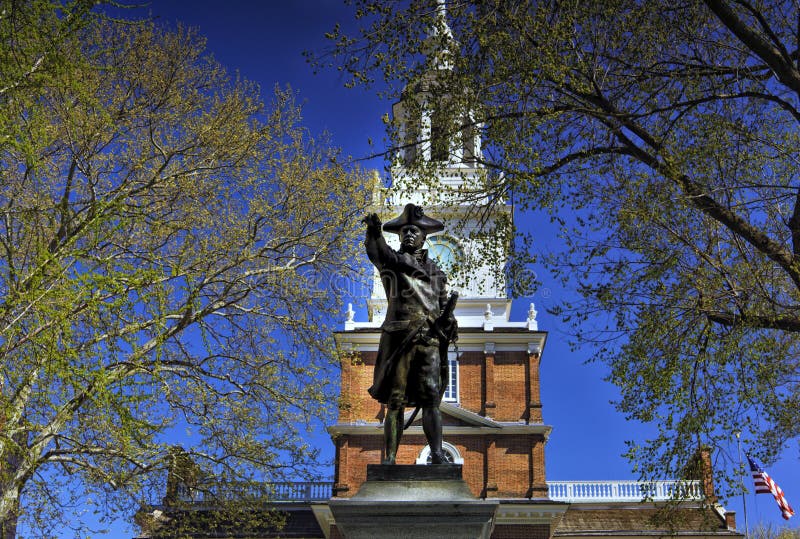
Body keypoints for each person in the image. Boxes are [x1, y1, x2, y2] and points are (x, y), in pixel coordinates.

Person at [362, 203, 457, 465]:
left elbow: (441, 306)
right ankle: (390, 459)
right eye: (405, 231)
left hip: (429, 338)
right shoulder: (393, 263)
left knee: (430, 398)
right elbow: (378, 253)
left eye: (415, 231)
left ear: (424, 237)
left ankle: (436, 453)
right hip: (400, 338)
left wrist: (448, 322)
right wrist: (374, 232)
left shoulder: (437, 274)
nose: (409, 235)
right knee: (395, 400)